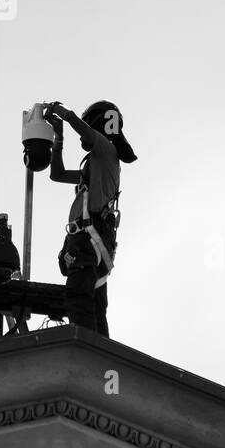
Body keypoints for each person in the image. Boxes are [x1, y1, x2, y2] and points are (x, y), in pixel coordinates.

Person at [46, 101, 136, 335]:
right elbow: (57, 175)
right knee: (95, 307)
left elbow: (86, 132)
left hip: (89, 239)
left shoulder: (106, 148)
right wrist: (59, 138)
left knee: (79, 297)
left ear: (98, 126)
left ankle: (84, 354)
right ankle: (100, 358)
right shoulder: (98, 165)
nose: (83, 136)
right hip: (96, 241)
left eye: (89, 126)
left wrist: (63, 113)